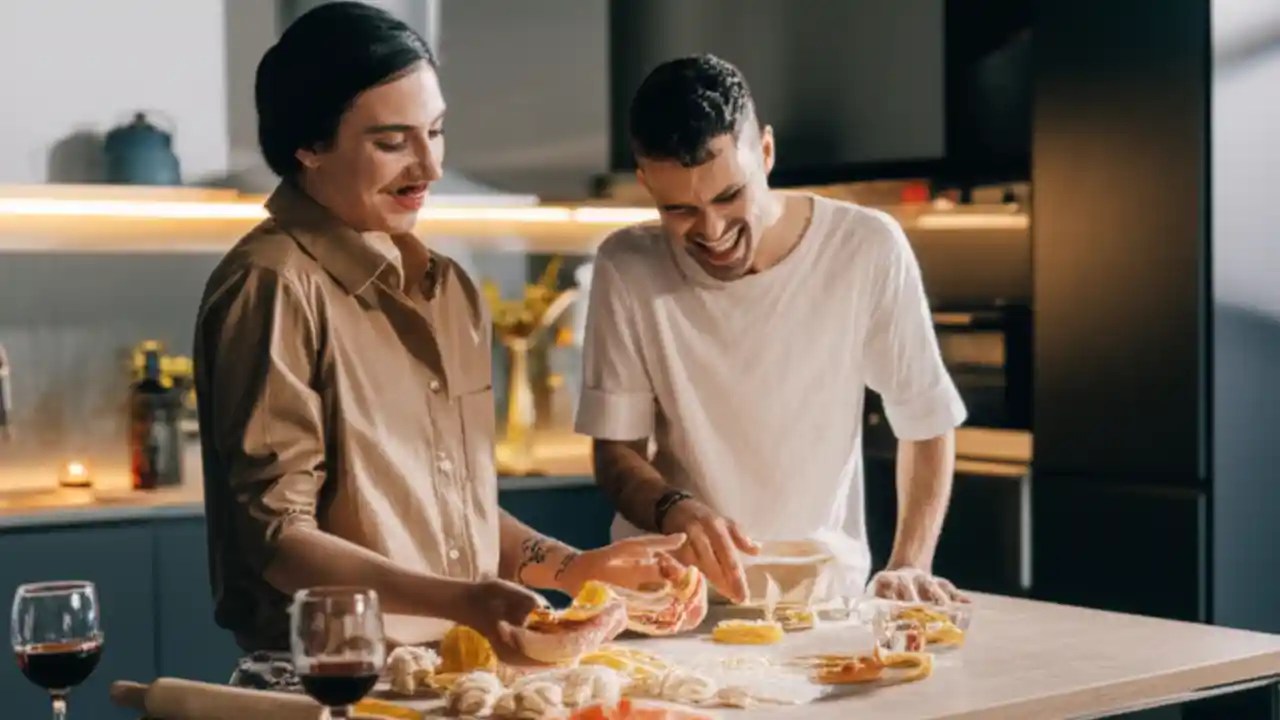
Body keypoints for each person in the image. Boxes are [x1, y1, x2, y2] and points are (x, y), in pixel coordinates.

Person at [193, 2, 682, 688]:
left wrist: (574, 568)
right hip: (326, 681)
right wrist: (463, 601)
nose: (428, 165)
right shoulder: (271, 284)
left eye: (436, 131)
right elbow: (278, 539)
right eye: (392, 142)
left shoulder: (447, 290)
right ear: (309, 145)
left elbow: (453, 509)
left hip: (447, 675)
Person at [576, 54, 969, 608]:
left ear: (765, 151)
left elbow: (926, 418)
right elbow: (616, 453)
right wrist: (672, 508)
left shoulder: (865, 247)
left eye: (728, 196)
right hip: (669, 598)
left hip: (821, 600)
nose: (712, 230)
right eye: (680, 209)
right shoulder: (626, 266)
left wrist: (910, 562)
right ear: (645, 184)